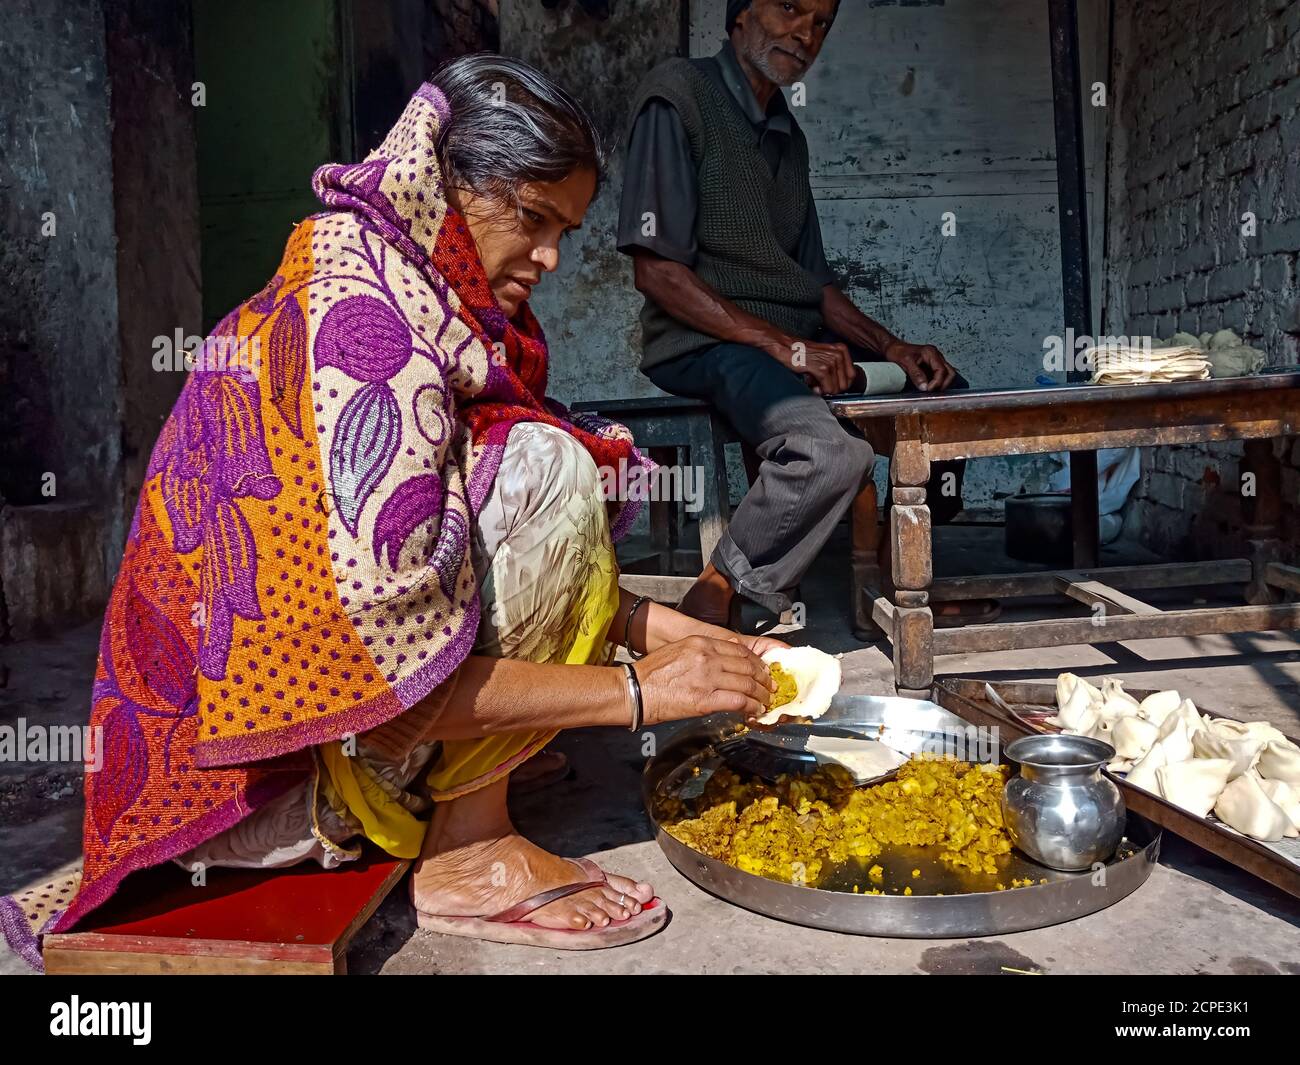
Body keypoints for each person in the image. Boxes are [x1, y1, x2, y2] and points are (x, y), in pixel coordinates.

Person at [4, 55, 787, 963]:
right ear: (445, 184)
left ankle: (460, 792)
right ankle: (469, 852)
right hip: (254, 783)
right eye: (533, 220)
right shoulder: (364, 340)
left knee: (530, 465)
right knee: (548, 469)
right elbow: (390, 695)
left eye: (564, 231)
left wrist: (669, 636)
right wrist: (643, 693)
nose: (549, 259)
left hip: (292, 732)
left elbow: (466, 547)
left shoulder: (409, 289)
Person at [619, 0, 996, 628]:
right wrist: (782, 347)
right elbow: (655, 270)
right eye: (791, 7)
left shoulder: (787, 137)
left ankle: (896, 578)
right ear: (739, 15)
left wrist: (892, 345)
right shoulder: (678, 96)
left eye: (821, 22)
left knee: (947, 400)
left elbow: (814, 282)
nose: (805, 32)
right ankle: (722, 585)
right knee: (829, 453)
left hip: (789, 335)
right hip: (702, 338)